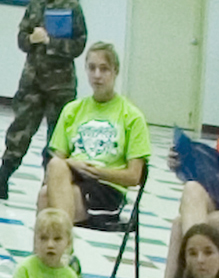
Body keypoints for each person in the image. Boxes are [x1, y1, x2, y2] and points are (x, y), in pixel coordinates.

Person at [0, 0, 88, 199]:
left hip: (60, 85)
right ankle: (1, 179)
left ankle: (51, 187)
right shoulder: (35, 4)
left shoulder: (72, 7)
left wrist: (51, 42)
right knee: (20, 130)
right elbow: (21, 39)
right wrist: (31, 39)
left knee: (56, 139)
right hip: (33, 81)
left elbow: (79, 44)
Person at [38, 42, 150, 234]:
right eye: (92, 68)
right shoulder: (72, 109)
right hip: (74, 178)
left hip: (107, 189)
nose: (97, 75)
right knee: (54, 169)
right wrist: (73, 164)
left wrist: (97, 172)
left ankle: (58, 248)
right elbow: (56, 162)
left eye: (104, 69)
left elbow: (134, 176)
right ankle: (62, 245)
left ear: (115, 72)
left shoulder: (132, 116)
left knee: (46, 197)